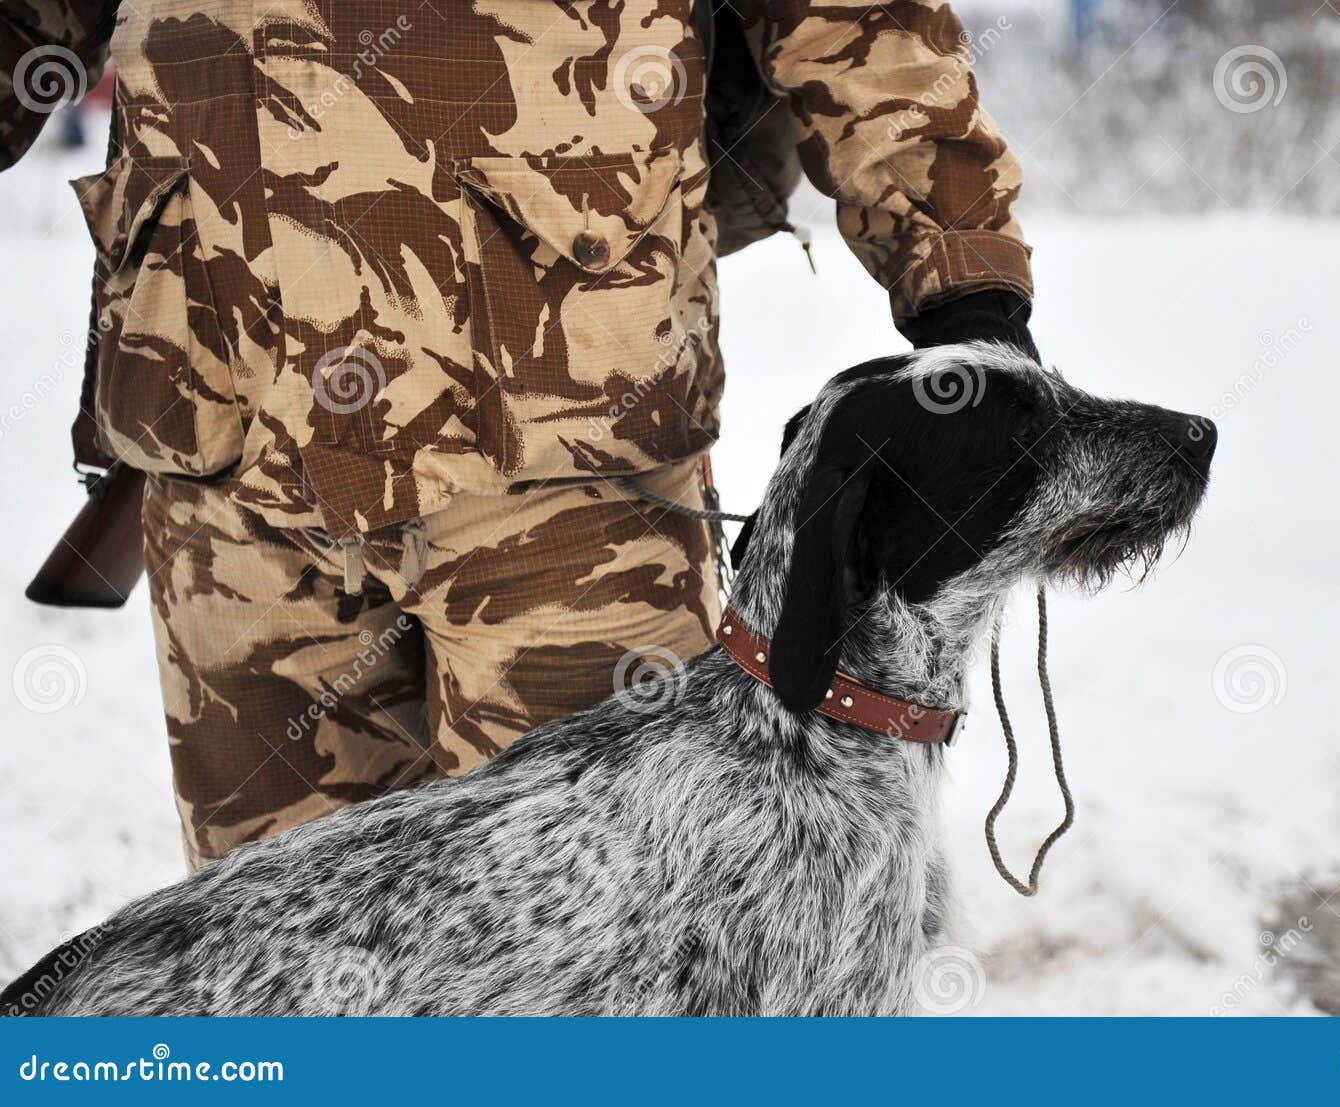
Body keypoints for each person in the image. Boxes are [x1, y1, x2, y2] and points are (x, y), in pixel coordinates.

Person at [1, 0, 1037, 867]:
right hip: (225, 445)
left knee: (597, 953)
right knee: (275, 969)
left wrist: (962, 283)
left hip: (559, 455)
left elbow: (851, 17)